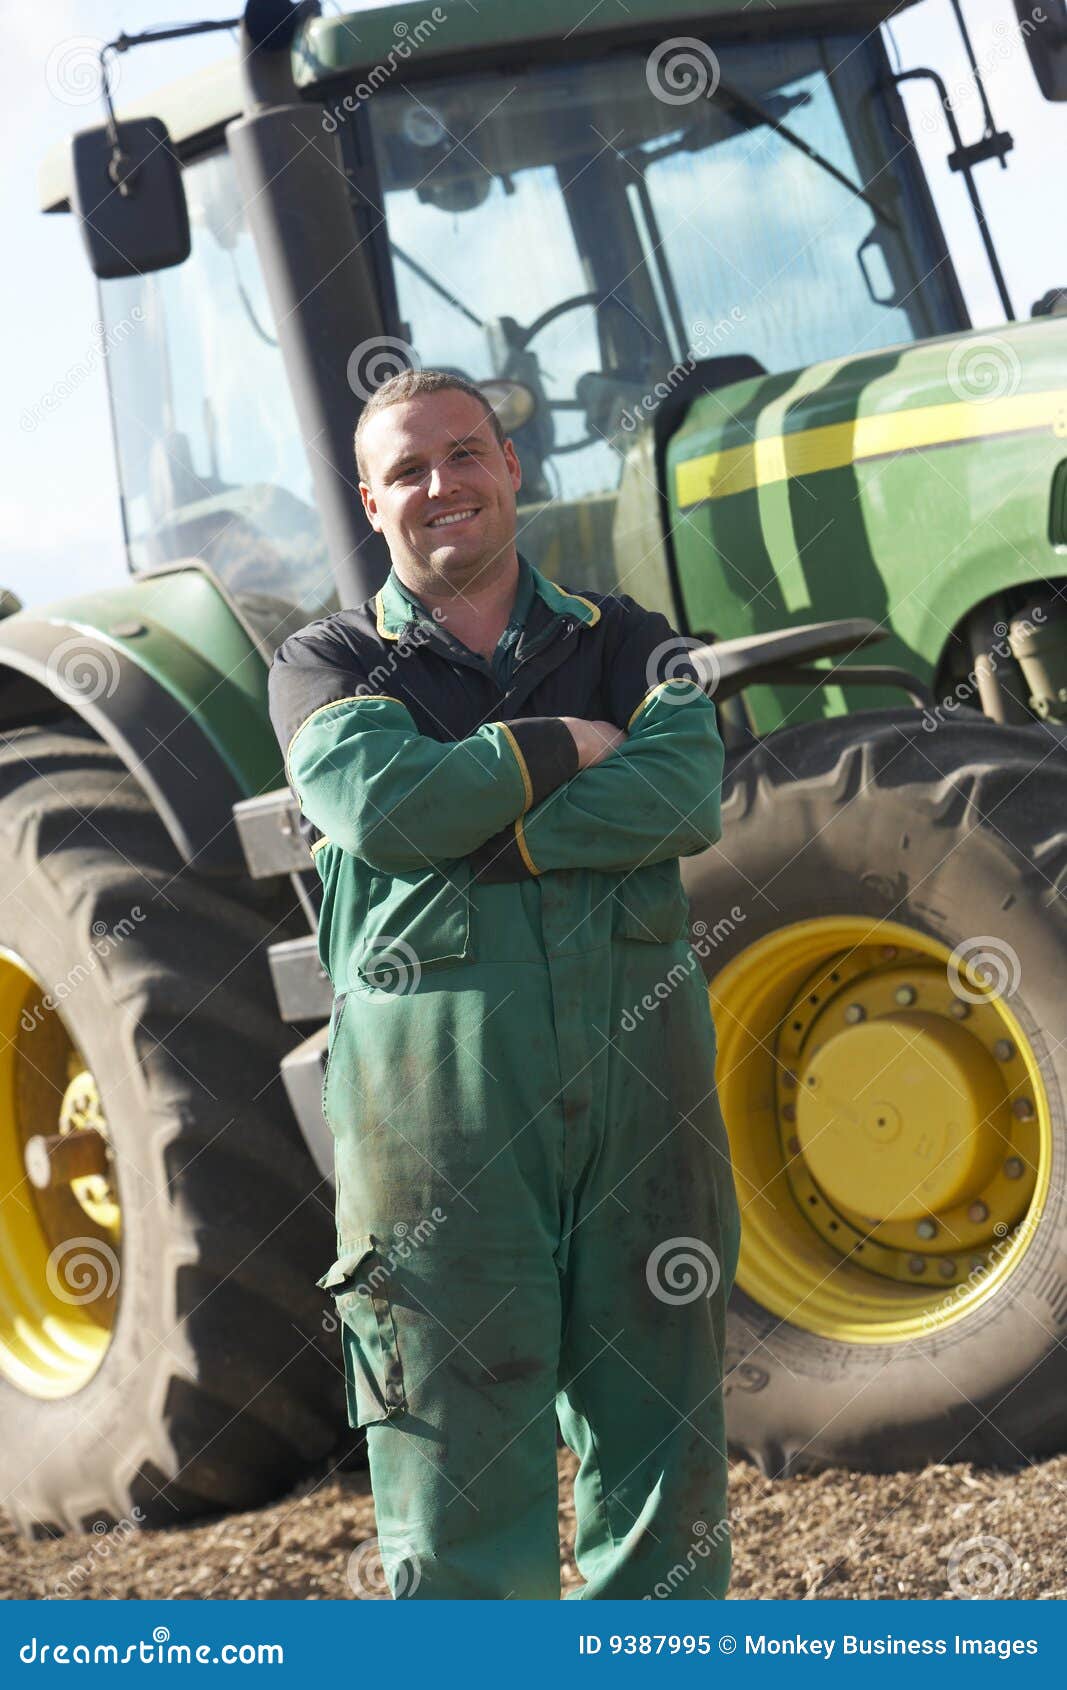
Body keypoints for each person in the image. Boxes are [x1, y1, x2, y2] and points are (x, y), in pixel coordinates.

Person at [267, 368, 742, 1600]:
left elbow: (684, 791)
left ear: (510, 469)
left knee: (663, 1463)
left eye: (465, 455)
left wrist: (484, 825)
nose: (444, 487)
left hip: (645, 1114)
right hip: (439, 1138)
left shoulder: (630, 640)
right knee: (457, 1485)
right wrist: (556, 750)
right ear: (371, 500)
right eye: (410, 471)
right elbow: (377, 803)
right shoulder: (326, 664)